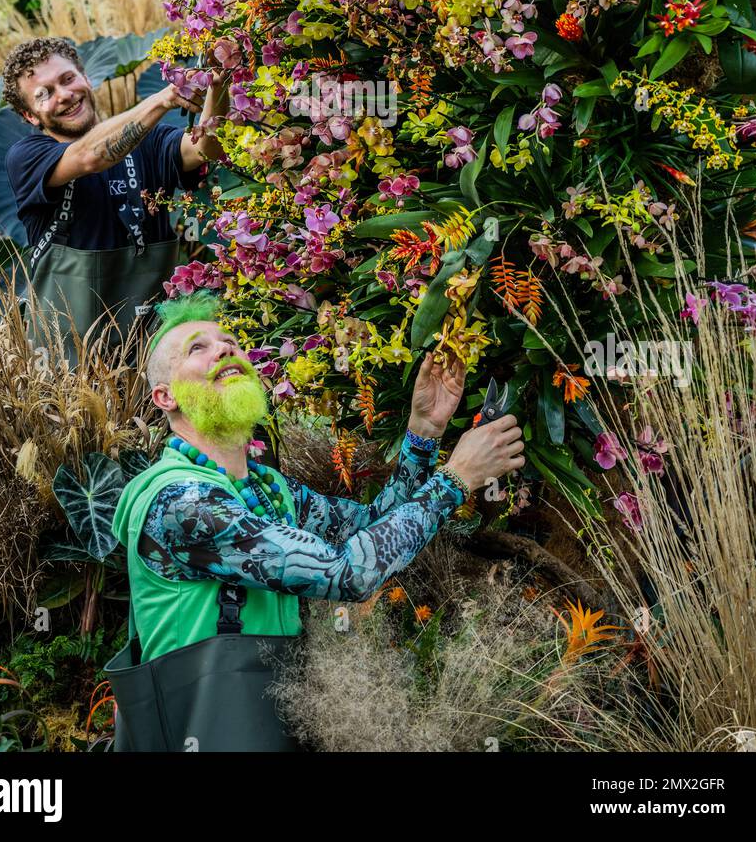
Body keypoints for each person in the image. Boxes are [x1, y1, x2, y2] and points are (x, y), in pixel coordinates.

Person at [107, 291, 525, 752]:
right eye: (197, 348)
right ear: (164, 397)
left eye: (229, 340)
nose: (225, 348)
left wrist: (423, 433)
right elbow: (347, 572)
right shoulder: (180, 503)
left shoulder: (269, 490)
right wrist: (455, 479)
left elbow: (374, 525)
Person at [3, 37, 228, 364]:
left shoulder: (152, 141)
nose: (64, 95)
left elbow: (205, 148)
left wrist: (218, 83)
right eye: (44, 94)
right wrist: (163, 99)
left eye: (68, 79)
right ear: (30, 116)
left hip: (150, 348)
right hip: (69, 363)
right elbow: (90, 156)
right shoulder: (27, 157)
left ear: (85, 77)